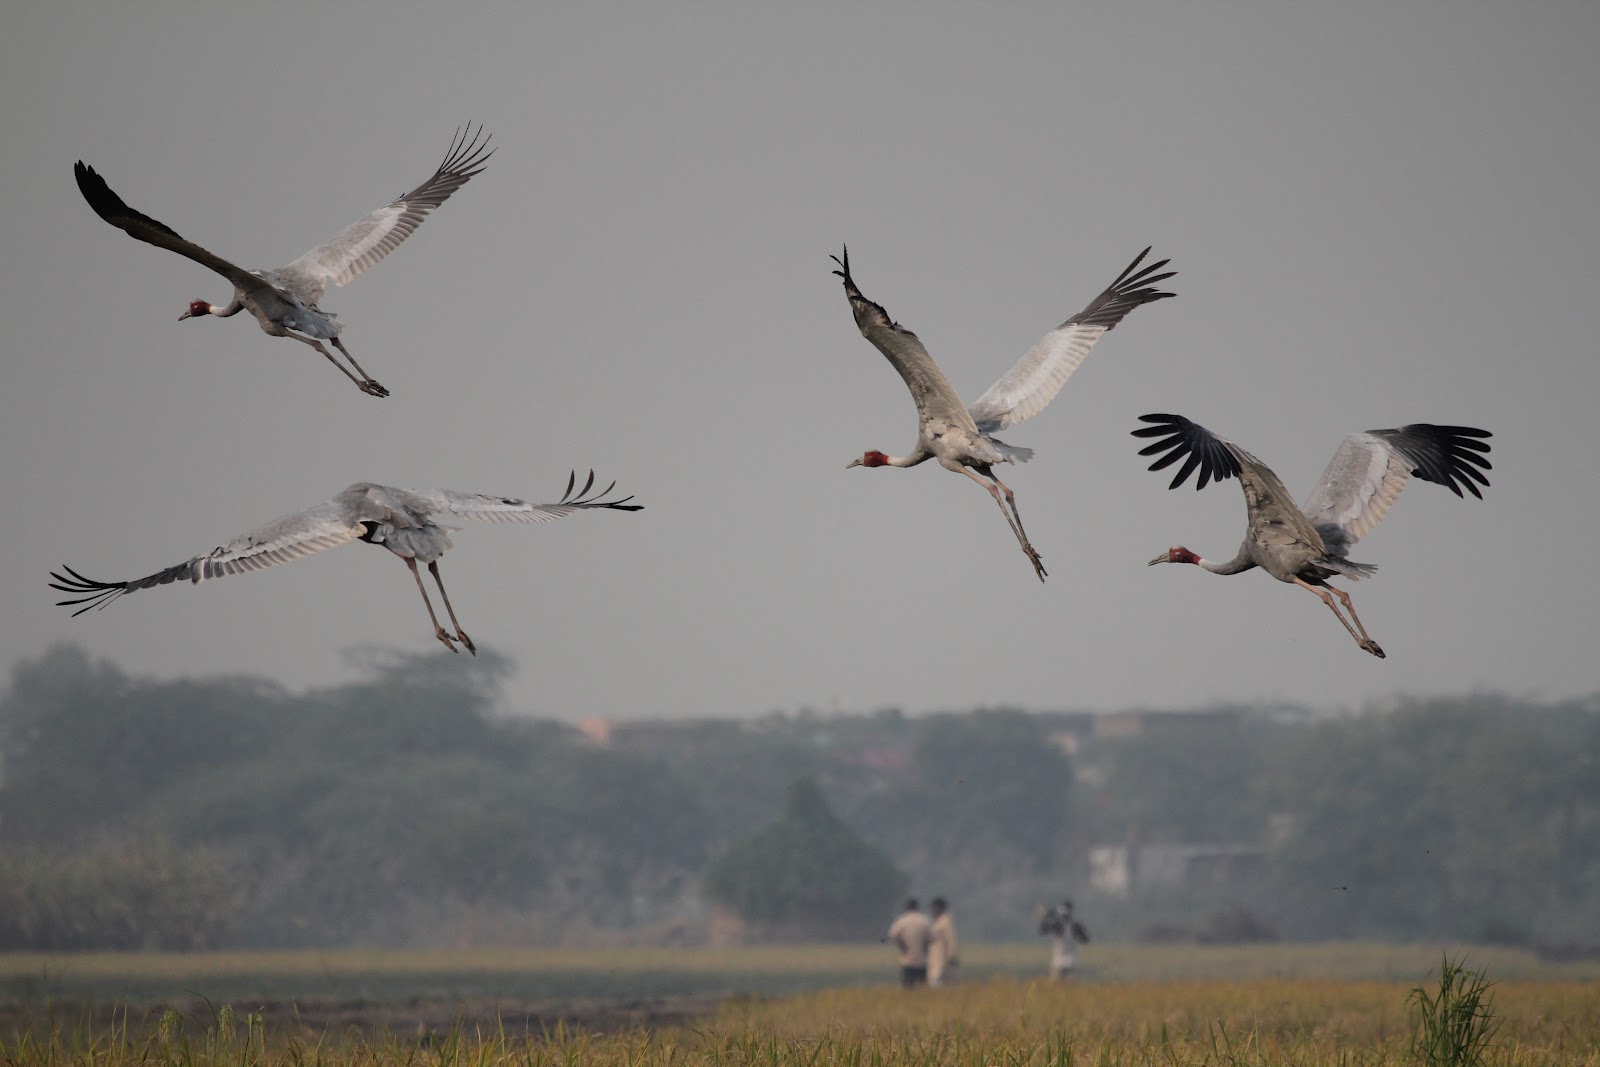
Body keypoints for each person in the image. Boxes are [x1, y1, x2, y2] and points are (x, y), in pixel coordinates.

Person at [1038, 897, 1089, 981]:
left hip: (1059, 962)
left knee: (1056, 989)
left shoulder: (1058, 925)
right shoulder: (1075, 925)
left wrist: (1045, 916)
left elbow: (1042, 930)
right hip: (1071, 962)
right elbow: (1086, 940)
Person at [886, 897, 934, 987]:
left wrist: (903, 947)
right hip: (922, 961)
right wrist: (924, 948)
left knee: (908, 988)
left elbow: (893, 937)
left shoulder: (901, 921)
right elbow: (931, 938)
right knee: (923, 989)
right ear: (917, 907)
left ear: (906, 908)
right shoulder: (925, 921)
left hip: (907, 961)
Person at [928, 896, 960, 987]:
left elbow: (951, 940)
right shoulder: (938, 922)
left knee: (939, 984)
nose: (932, 910)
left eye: (934, 908)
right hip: (936, 959)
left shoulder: (945, 921)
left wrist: (952, 956)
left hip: (943, 961)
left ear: (940, 908)